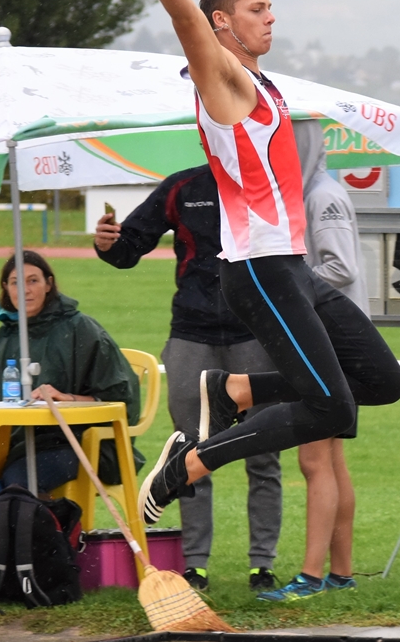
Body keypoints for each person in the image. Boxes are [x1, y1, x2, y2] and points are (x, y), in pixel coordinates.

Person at [101, 0, 400, 525]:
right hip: (259, 271)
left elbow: (220, 4)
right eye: (258, 11)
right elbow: (191, 15)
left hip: (292, 268)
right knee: (331, 410)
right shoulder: (222, 84)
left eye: (271, 8)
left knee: (379, 381)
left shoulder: (256, 78)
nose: (272, 18)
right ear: (224, 24)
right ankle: (190, 464)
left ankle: (233, 390)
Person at [94, 167, 281, 592]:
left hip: (255, 333)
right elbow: (128, 249)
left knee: (264, 452)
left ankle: (262, 565)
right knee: (189, 452)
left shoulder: (268, 182)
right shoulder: (182, 186)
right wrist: (107, 243)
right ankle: (195, 566)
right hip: (192, 334)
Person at [257, 119, 368, 601]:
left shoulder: (322, 197)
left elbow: (341, 268)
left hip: (333, 344)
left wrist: (286, 281)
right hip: (330, 341)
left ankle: (310, 577)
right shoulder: (308, 193)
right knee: (333, 460)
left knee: (313, 459)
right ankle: (340, 573)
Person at [0, 251, 142, 503]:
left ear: (49, 284)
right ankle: (5, 524)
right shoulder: (4, 337)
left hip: (74, 443)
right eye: (15, 282)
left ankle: (3, 526)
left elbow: (119, 398)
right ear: (5, 288)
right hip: (13, 442)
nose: (25, 290)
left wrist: (66, 398)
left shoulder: (81, 329)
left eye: (33, 281)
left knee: (19, 479)